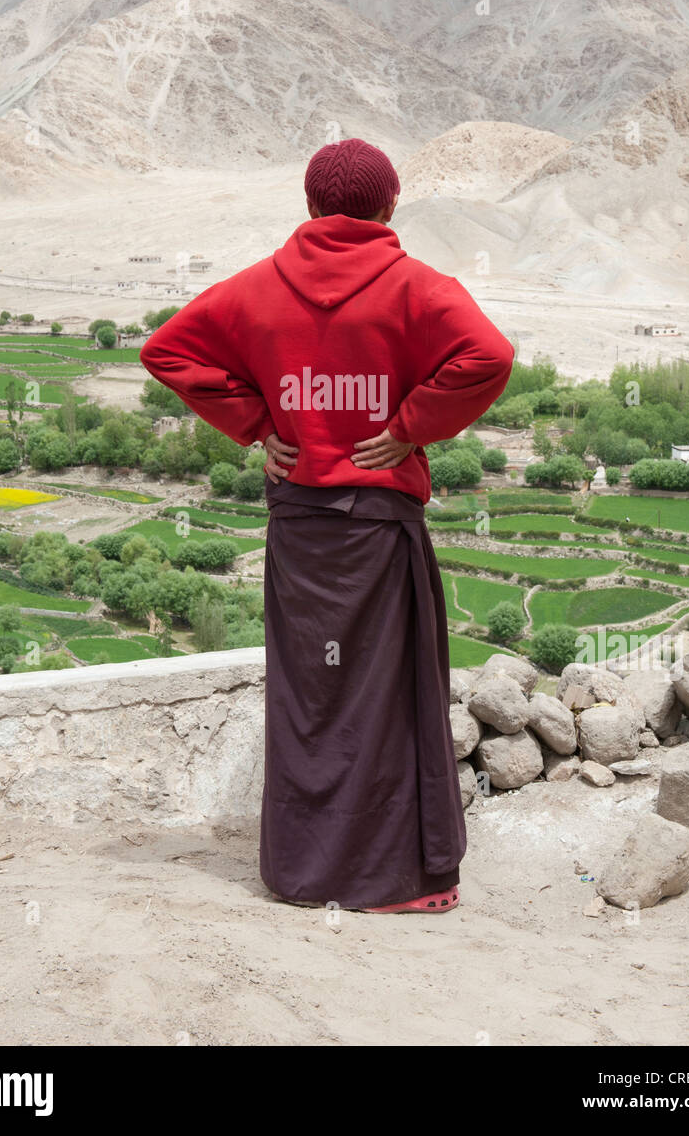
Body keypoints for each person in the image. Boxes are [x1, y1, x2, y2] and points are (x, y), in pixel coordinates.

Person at [140, 138, 514, 914]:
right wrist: (411, 424)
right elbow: (488, 355)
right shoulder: (414, 286)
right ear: (389, 205)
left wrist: (252, 422)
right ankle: (392, 879)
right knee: (387, 697)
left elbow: (165, 348)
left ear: (309, 207)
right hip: (376, 523)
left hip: (302, 529)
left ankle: (303, 870)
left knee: (310, 697)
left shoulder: (256, 288)